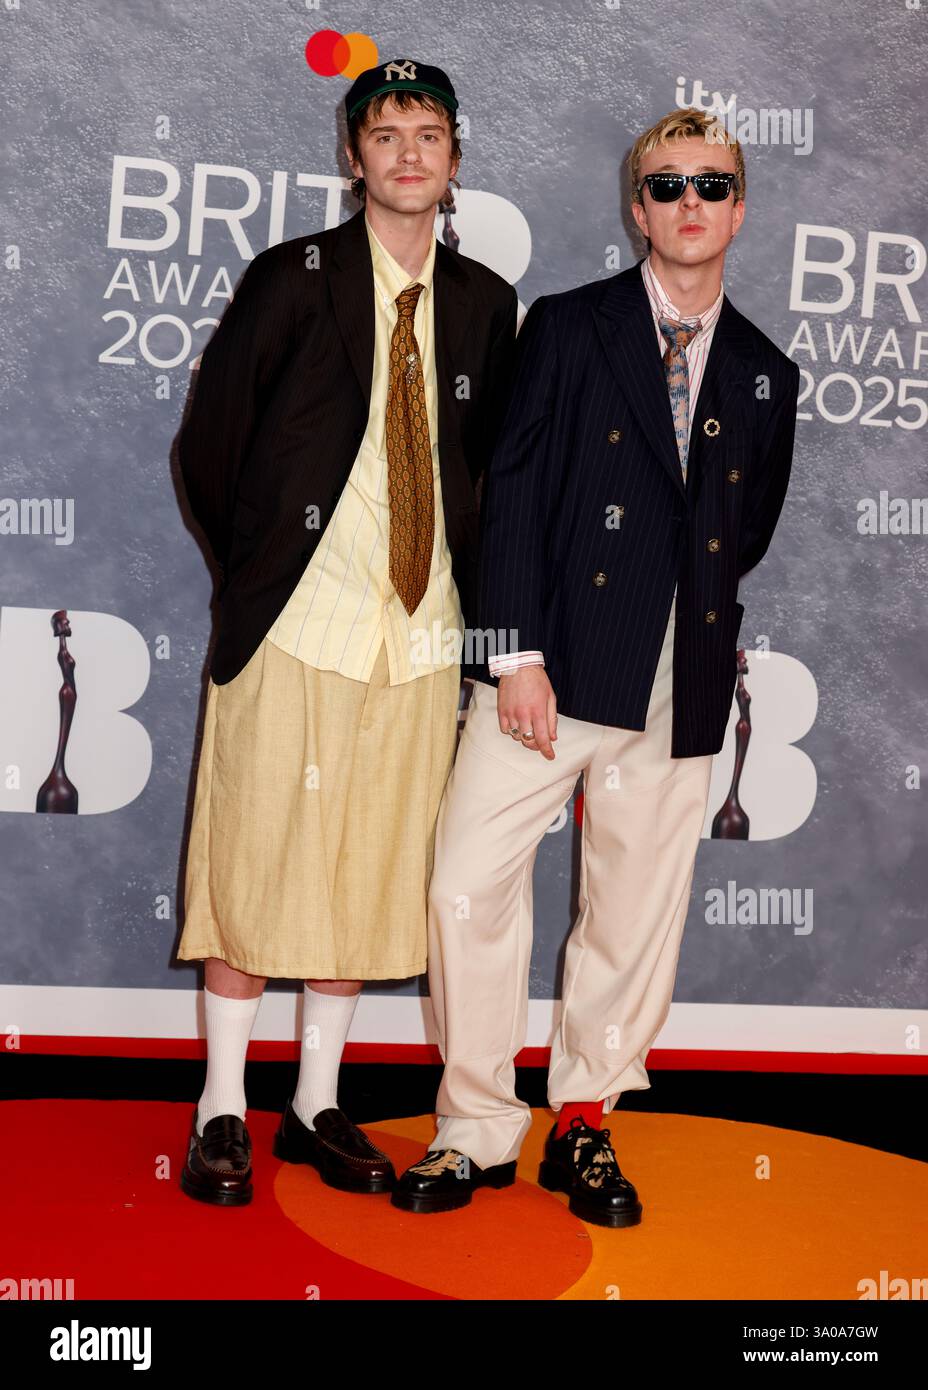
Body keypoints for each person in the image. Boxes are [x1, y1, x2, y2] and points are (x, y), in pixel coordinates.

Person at [393, 107, 800, 1226]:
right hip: (553, 663)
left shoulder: (766, 374)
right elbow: (508, 497)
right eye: (665, 186)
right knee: (464, 885)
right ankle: (473, 1126)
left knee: (632, 908)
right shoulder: (568, 329)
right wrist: (511, 652)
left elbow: (741, 529)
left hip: (681, 672)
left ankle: (585, 1120)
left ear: (739, 207)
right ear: (637, 208)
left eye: (710, 187)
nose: (687, 205)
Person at [175, 58, 518, 1206]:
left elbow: (488, 482)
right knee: (255, 863)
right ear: (352, 155)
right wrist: (262, 576)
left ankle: (314, 1102)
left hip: (420, 639)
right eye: (386, 134)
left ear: (456, 159)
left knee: (368, 875)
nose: (409, 153)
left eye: (429, 134)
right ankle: (222, 1104)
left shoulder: (482, 305)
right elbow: (210, 449)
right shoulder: (293, 279)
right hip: (297, 629)